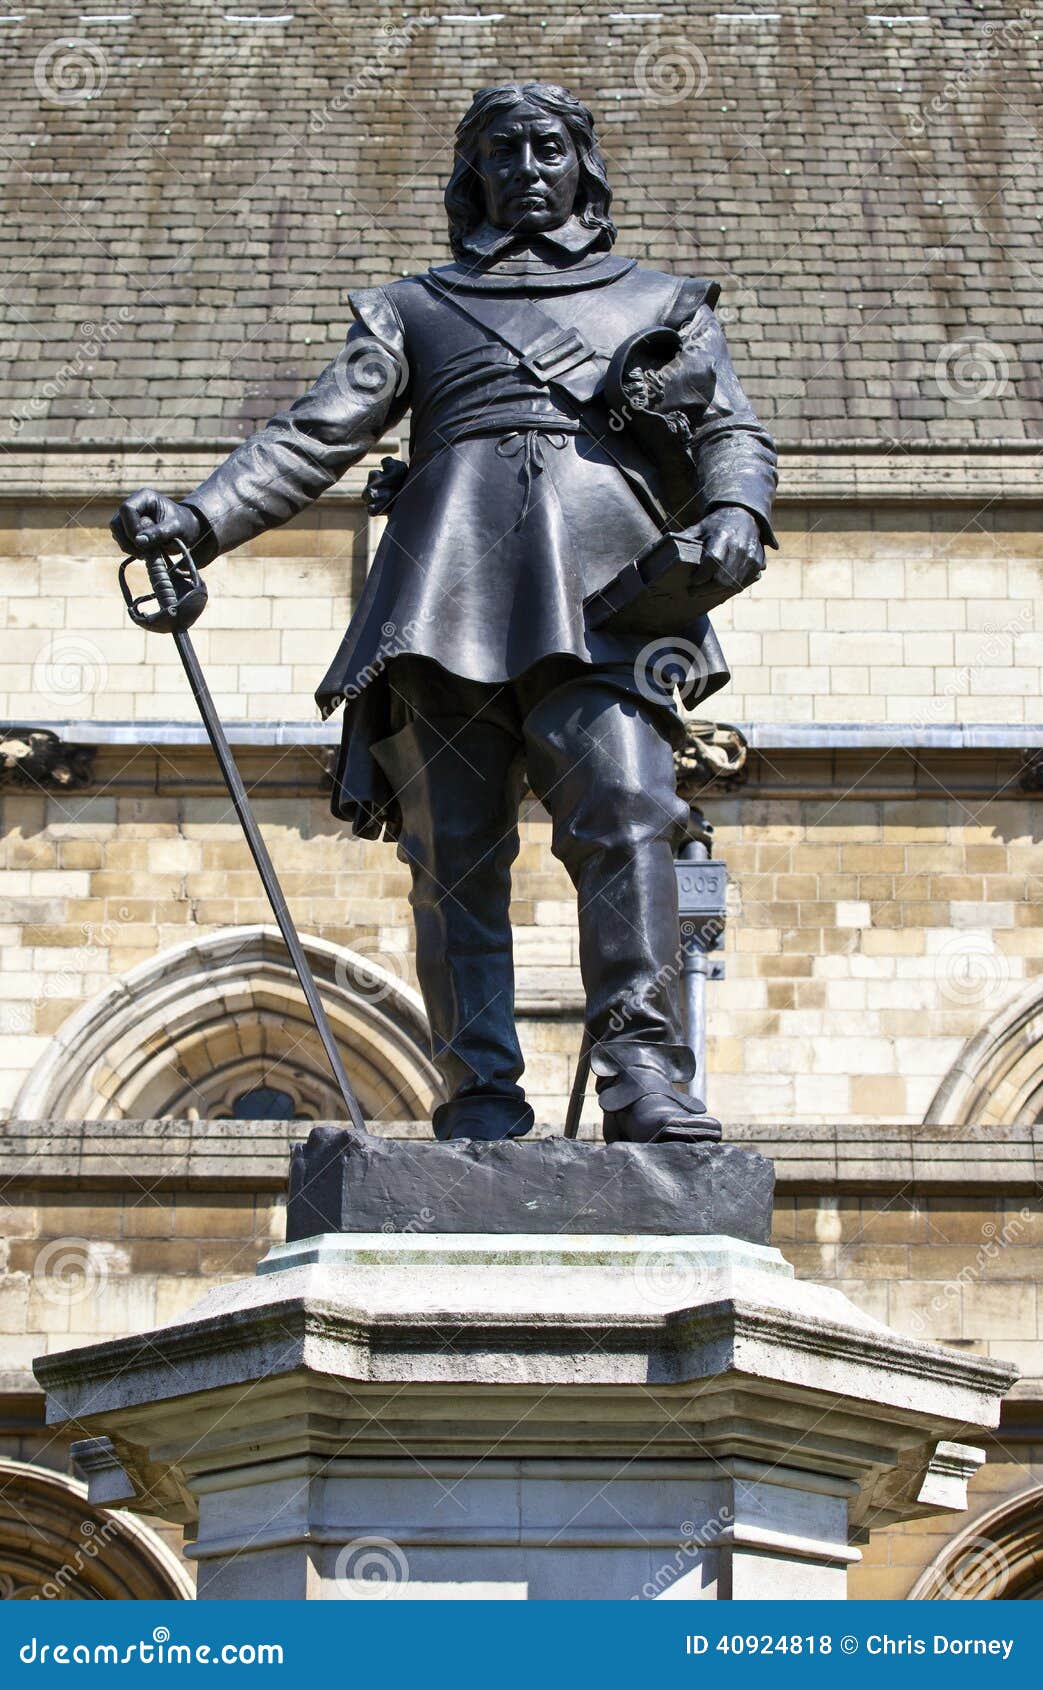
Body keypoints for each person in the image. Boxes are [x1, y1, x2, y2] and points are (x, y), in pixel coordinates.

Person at [111, 82, 777, 1146]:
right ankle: (478, 1091)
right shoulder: (414, 306)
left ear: (580, 166)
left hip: (605, 593)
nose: (524, 169)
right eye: (500, 152)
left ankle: (643, 1074)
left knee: (627, 813)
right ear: (473, 175)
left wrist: (739, 507)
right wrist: (195, 520)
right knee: (453, 853)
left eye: (546, 148)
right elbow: (308, 438)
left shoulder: (659, 302)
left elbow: (729, 432)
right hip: (446, 591)